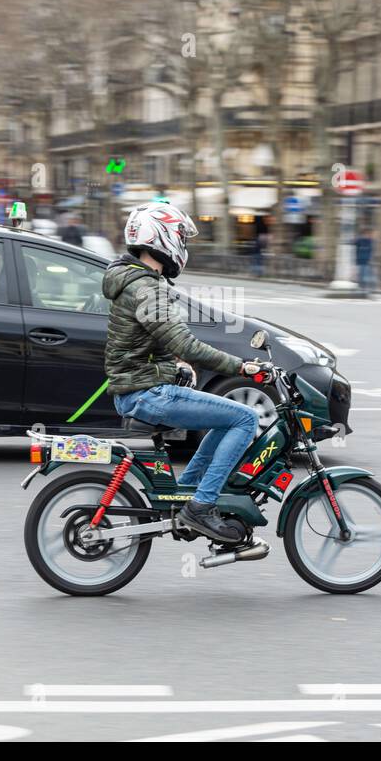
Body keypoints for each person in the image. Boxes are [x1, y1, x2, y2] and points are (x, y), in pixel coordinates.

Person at [103, 202, 267, 543]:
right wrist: (242, 366)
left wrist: (173, 365)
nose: (183, 245)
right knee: (246, 419)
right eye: (181, 237)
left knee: (224, 420)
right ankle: (201, 507)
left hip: (140, 388)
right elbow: (187, 344)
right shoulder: (147, 287)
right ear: (161, 238)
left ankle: (190, 494)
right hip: (148, 393)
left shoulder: (133, 281)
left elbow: (146, 340)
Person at [354, 228, 376, 292]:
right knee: (362, 275)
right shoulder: (360, 241)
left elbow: (371, 251)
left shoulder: (370, 241)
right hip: (361, 261)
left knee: (365, 276)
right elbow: (354, 243)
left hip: (366, 261)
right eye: (366, 234)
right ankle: (363, 288)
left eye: (368, 234)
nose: (367, 235)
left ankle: (365, 288)